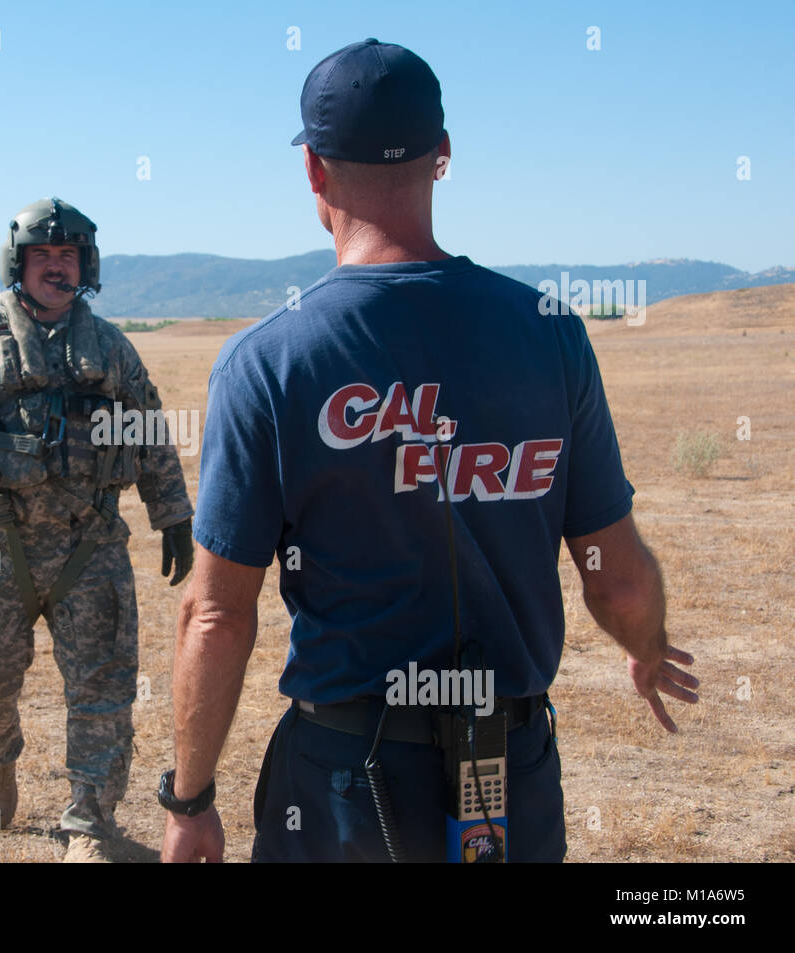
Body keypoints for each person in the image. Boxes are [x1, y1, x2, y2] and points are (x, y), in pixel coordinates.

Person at [158, 39, 699, 863]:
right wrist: (647, 646)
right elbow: (618, 579)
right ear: (442, 156)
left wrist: (190, 798)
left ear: (313, 171)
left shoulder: (268, 361)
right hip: (508, 774)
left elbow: (218, 613)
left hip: (346, 781)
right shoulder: (551, 335)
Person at [0, 197, 194, 862]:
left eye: (68, 255)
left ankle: (88, 823)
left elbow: (149, 428)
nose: (56, 266)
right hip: (1, 543)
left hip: (90, 545)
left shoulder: (112, 350)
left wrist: (173, 513)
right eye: (43, 255)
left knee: (103, 690)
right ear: (19, 264)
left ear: (85, 265)